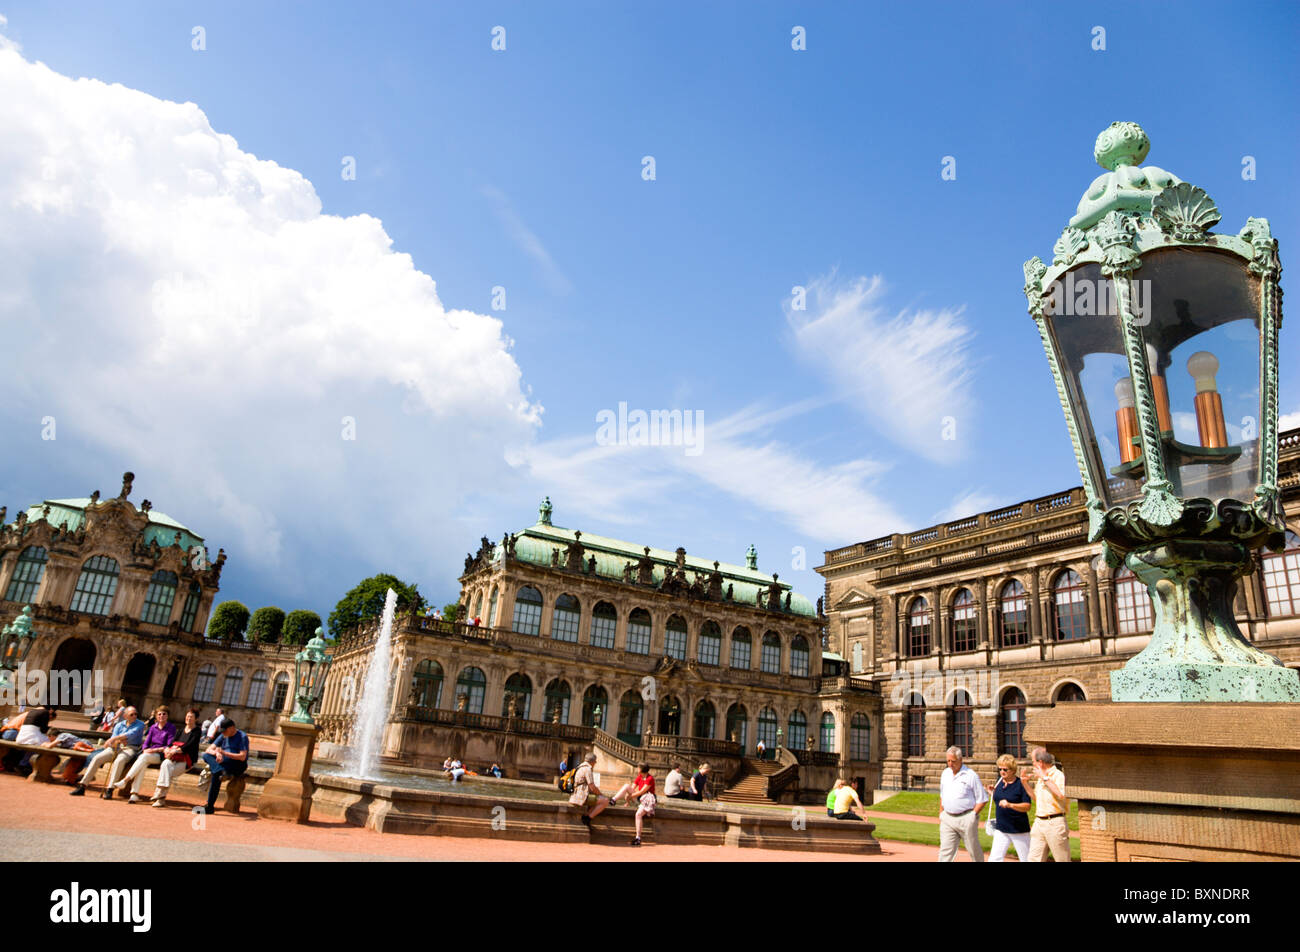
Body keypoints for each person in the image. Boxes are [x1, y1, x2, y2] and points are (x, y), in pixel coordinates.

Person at [71, 706, 145, 798]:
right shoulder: (119, 725)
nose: (134, 716)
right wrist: (118, 740)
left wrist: (116, 738)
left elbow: (131, 734)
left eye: (136, 714)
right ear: (125, 716)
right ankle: (82, 786)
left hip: (129, 748)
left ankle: (110, 789)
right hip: (115, 747)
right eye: (132, 714)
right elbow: (113, 741)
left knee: (119, 761)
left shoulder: (140, 724)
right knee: (97, 758)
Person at [113, 706, 177, 803]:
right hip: (149, 755)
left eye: (164, 714)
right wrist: (146, 749)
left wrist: (153, 750)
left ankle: (125, 780)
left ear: (167, 716)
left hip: (161, 755)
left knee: (144, 757)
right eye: (159, 714)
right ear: (156, 716)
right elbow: (146, 743)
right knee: (142, 764)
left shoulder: (171, 728)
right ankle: (134, 794)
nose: (162, 716)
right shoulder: (153, 727)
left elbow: (169, 745)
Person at [937, 746, 987, 862]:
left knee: (973, 849)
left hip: (966, 818)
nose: (950, 764)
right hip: (947, 818)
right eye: (948, 761)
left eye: (953, 761)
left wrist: (973, 815)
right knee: (945, 851)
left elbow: (982, 799)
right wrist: (941, 813)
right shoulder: (945, 774)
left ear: (960, 760)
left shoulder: (971, 775)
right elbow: (942, 795)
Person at [1024, 747, 1070, 863]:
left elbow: (1061, 795)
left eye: (1033, 761)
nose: (1033, 764)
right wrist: (1024, 783)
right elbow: (1036, 799)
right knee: (1033, 859)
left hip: (1055, 822)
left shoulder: (1058, 775)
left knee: (1062, 859)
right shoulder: (1041, 778)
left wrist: (1045, 778)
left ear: (1040, 762)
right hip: (1039, 822)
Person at [151, 708, 203, 807]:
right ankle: (160, 797)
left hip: (187, 760)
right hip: (175, 758)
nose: (188, 718)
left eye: (191, 717)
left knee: (167, 771)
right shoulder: (181, 730)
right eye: (187, 716)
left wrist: (176, 750)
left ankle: (159, 795)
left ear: (196, 719)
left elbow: (189, 745)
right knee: (165, 764)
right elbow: (171, 743)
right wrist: (168, 749)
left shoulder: (197, 731)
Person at [985, 753, 1032, 862]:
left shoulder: (1020, 784)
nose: (1002, 772)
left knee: (1026, 859)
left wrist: (1010, 805)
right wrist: (992, 793)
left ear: (1012, 770)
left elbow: (1027, 806)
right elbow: (1000, 800)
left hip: (1018, 829)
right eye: (1000, 769)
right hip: (1001, 828)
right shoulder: (1000, 782)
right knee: (994, 859)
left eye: (1005, 769)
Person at [198, 719, 249, 814]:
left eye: (225, 730)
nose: (223, 733)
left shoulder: (242, 736)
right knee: (206, 756)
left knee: (216, 774)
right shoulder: (223, 735)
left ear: (232, 728)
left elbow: (242, 757)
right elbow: (208, 749)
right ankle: (210, 806)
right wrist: (217, 753)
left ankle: (210, 806)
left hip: (237, 765)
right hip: (224, 764)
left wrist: (224, 753)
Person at [568, 752, 609, 827]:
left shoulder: (579, 767)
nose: (595, 764)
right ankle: (588, 818)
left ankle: (587, 815)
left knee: (596, 800)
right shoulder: (587, 769)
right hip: (581, 797)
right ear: (593, 761)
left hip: (575, 796)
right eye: (595, 762)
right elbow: (592, 787)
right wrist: (602, 795)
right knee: (605, 801)